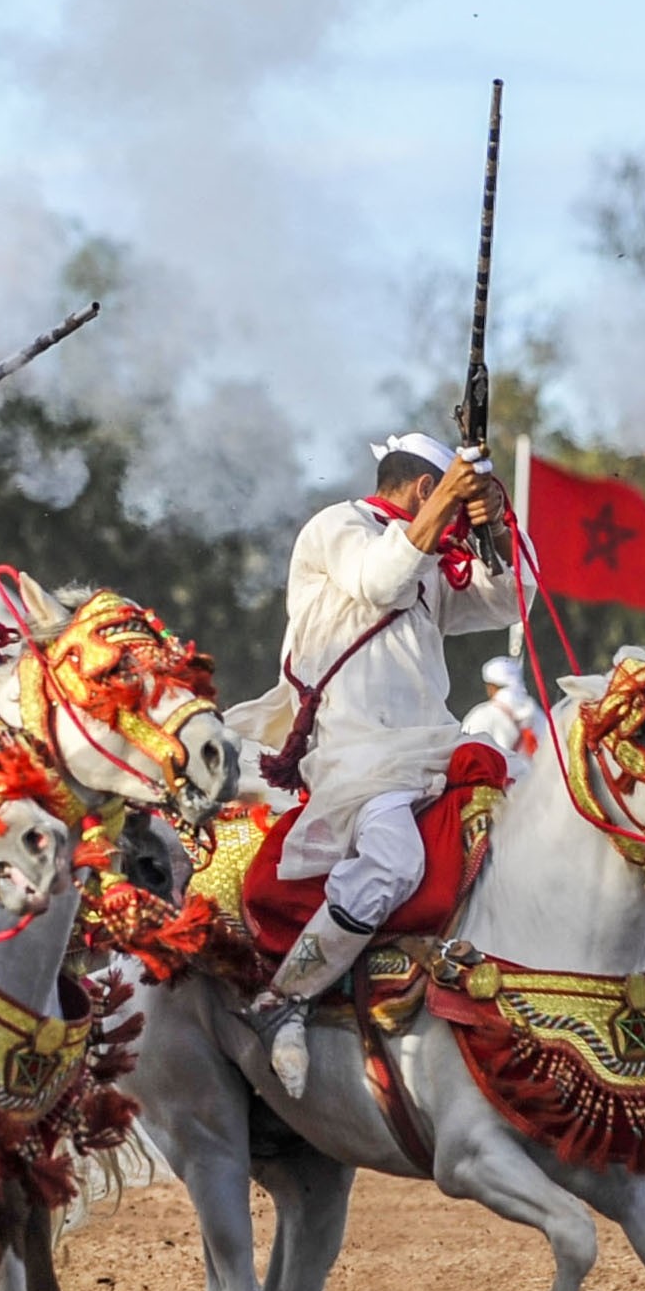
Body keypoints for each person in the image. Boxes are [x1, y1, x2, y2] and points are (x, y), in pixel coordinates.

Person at [225, 431, 519, 1091]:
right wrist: (448, 504)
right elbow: (380, 581)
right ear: (426, 489)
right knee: (394, 862)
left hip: (429, 747)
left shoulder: (430, 558)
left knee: (532, 807)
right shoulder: (339, 526)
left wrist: (493, 528)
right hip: (355, 752)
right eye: (447, 500)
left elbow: (507, 601)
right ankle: (285, 1000)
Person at [462, 651, 549, 774]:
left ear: (491, 687)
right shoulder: (538, 713)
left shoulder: (482, 715)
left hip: (502, 784)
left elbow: (466, 755)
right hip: (537, 783)